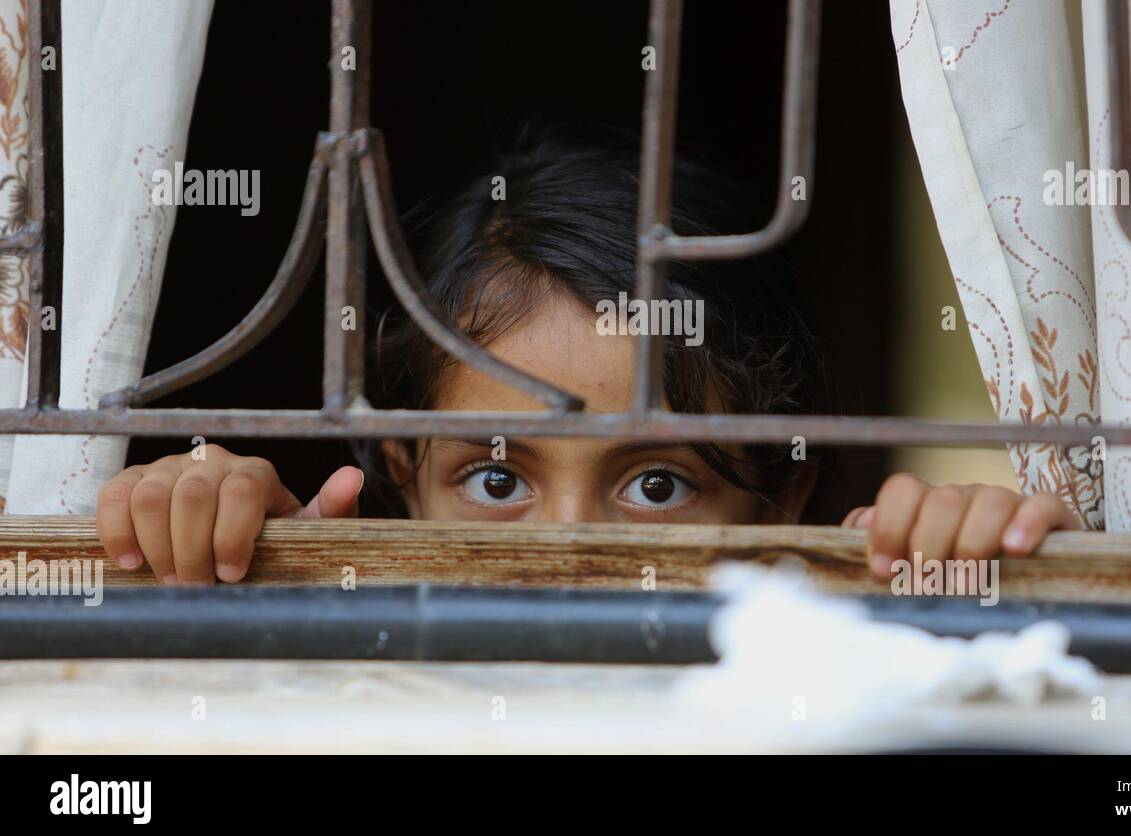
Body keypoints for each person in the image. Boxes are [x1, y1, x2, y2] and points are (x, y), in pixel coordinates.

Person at [94, 124, 1078, 586]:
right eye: (492, 478)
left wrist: (960, 577)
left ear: (779, 502)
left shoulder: (808, 689)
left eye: (657, 484)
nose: (562, 550)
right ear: (402, 480)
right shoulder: (358, 686)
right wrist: (247, 574)